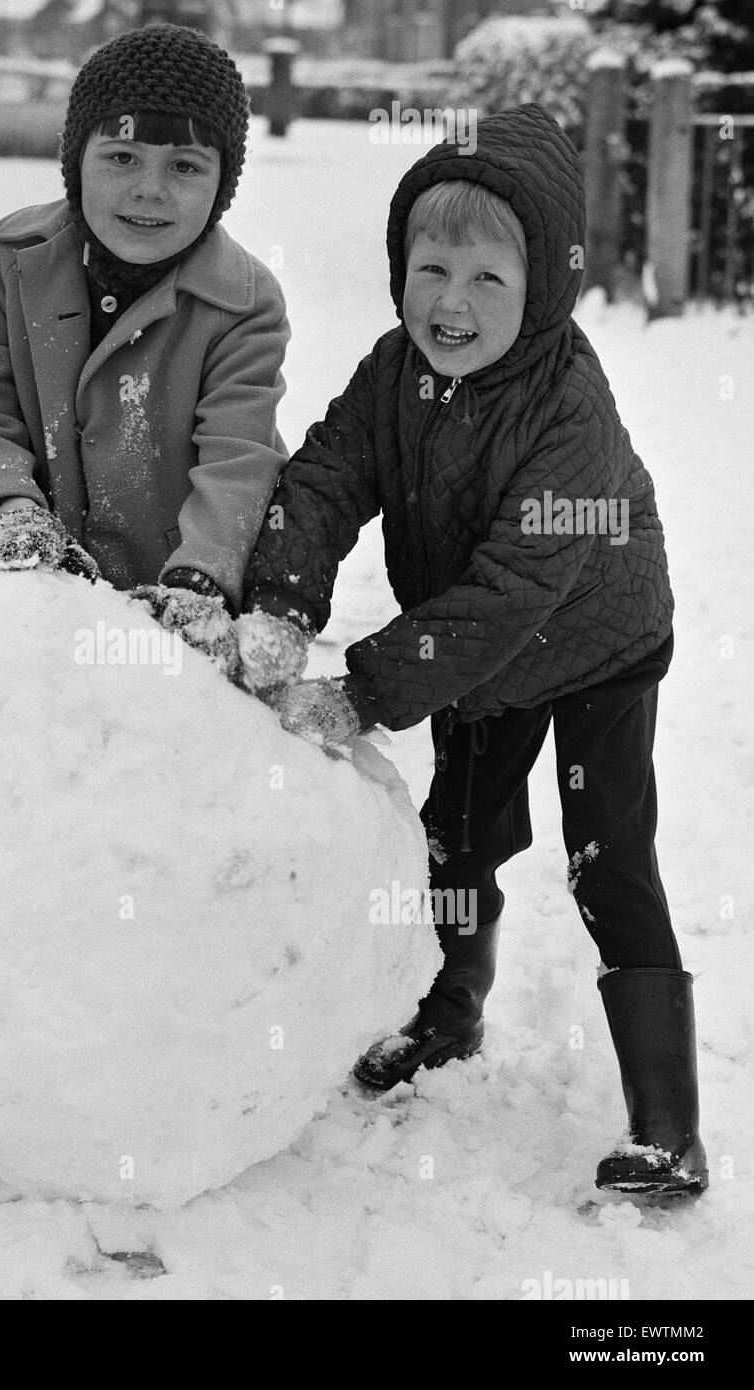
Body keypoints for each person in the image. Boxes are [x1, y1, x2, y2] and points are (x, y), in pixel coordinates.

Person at [234, 104, 706, 1198]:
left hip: (592, 645)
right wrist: (279, 604)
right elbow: (323, 478)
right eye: (428, 266)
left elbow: (504, 601)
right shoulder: (393, 372)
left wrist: (358, 691)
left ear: (541, 288)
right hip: (477, 653)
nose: (450, 301)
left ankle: (667, 1127)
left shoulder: (567, 416)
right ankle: (447, 1013)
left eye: (487, 280)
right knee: (459, 836)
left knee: (608, 859)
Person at [0, 24, 289, 665]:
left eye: (184, 167)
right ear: (76, 162)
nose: (150, 189)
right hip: (33, 597)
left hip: (169, 608)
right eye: (122, 158)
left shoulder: (242, 303)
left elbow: (238, 460)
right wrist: (8, 514)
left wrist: (198, 582)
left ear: (222, 185)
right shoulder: (6, 266)